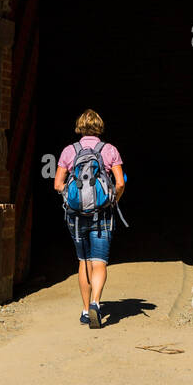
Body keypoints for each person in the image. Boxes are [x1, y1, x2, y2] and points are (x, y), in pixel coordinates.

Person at [54, 109, 125, 328]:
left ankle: (85, 311)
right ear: (100, 127)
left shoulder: (69, 151)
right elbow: (120, 183)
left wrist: (71, 197)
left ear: (79, 127)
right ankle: (96, 302)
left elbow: (57, 184)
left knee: (83, 261)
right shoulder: (109, 150)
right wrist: (113, 200)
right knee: (99, 262)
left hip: (75, 216)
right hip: (102, 213)